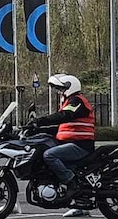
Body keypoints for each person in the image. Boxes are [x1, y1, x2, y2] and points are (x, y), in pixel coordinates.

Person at [27, 74, 95, 211]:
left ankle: (71, 183)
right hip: (72, 143)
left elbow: (64, 116)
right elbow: (61, 128)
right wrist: (35, 130)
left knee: (49, 155)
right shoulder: (70, 102)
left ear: (70, 87)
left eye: (61, 89)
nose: (60, 92)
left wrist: (40, 121)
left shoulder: (77, 102)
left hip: (80, 145)